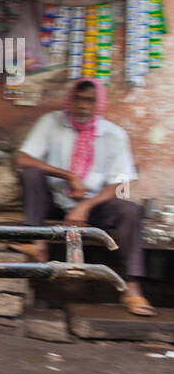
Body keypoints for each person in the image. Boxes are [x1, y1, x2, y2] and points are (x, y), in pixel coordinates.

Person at [14, 78, 153, 316]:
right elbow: (23, 158)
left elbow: (120, 183)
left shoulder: (114, 135)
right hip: (56, 200)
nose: (82, 106)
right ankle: (37, 244)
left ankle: (132, 289)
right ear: (71, 100)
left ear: (99, 104)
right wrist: (67, 175)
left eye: (90, 100)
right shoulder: (52, 122)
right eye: (78, 99)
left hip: (94, 204)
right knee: (32, 174)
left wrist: (86, 206)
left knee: (130, 210)